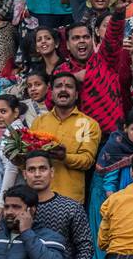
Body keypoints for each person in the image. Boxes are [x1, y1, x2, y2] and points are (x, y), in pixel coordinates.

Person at [31, 71, 101, 202]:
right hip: (38, 198)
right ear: (51, 93)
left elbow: (87, 160)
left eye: (69, 86)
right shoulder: (39, 122)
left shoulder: (88, 124)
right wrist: (15, 156)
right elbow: (29, 159)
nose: (63, 89)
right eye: (58, 86)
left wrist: (65, 157)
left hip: (70, 200)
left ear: (76, 95)